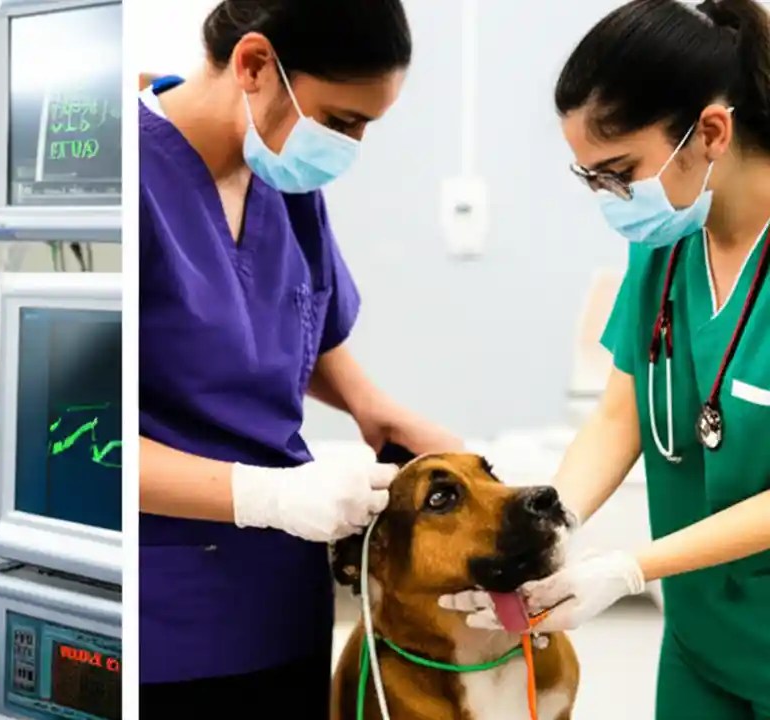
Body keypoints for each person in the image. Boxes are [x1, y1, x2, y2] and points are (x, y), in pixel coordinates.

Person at [439, 1, 770, 717]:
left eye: (620, 172)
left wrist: (628, 568)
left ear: (711, 131)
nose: (612, 199)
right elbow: (622, 412)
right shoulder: (665, 245)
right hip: (702, 647)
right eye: (593, 178)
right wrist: (551, 528)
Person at [138, 0, 462, 715]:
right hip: (163, 616)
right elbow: (83, 442)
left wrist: (378, 411)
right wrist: (273, 495)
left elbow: (301, 324)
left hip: (281, 603)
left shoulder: (286, 182)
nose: (351, 145)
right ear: (254, 64)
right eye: (341, 120)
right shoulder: (120, 182)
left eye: (367, 125)